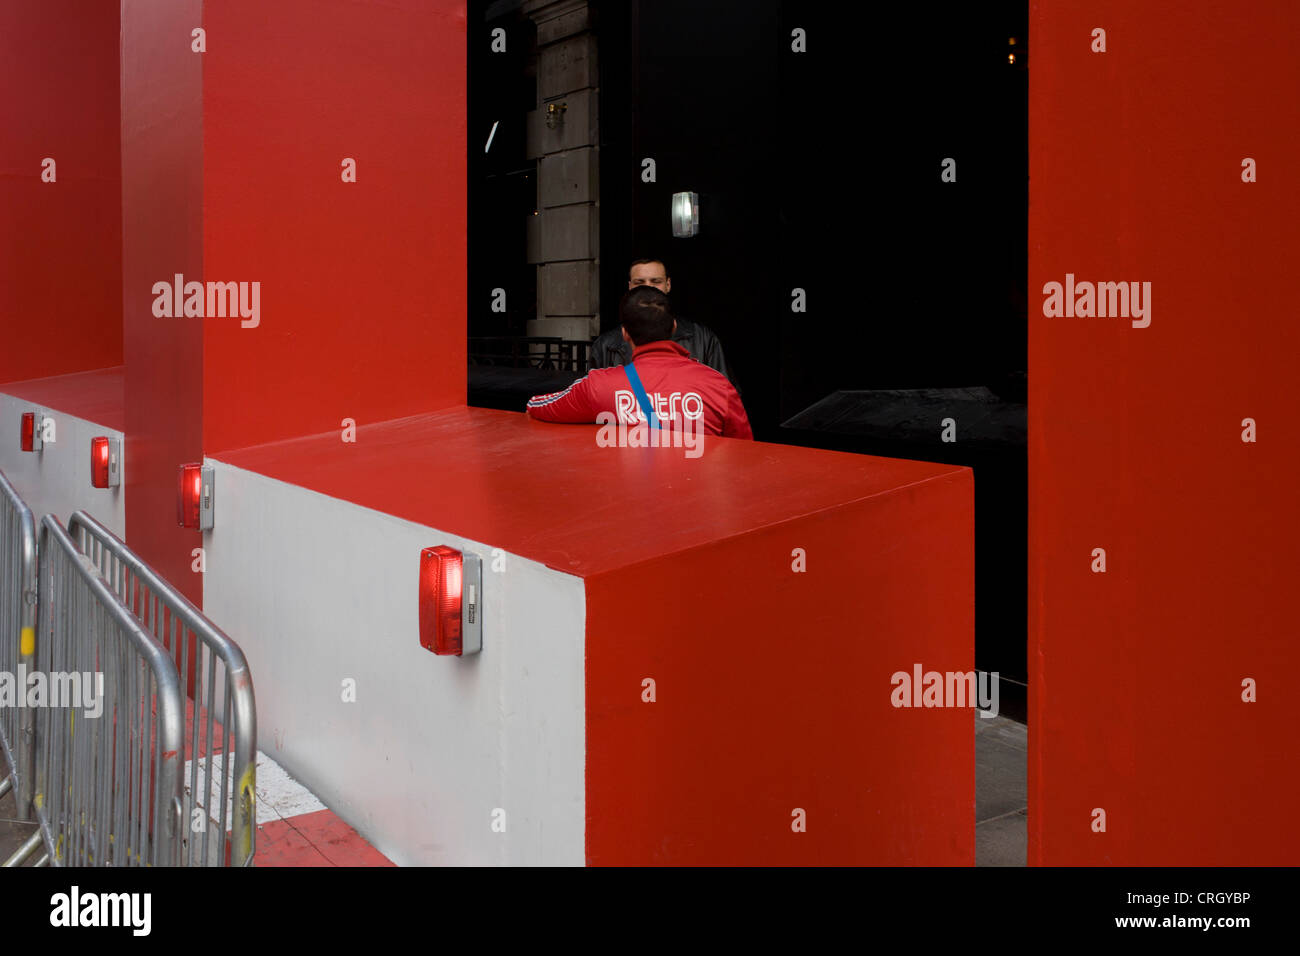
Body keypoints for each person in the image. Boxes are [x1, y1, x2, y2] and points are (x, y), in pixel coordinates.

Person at [527, 286, 752, 439]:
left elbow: (537, 406)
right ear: (674, 327)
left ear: (625, 333)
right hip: (697, 495)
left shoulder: (598, 385)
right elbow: (745, 452)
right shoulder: (718, 385)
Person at [587, 259, 731, 379]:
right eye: (639, 282)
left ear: (668, 285)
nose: (648, 288)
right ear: (630, 286)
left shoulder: (702, 338)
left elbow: (724, 393)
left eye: (656, 281)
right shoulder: (606, 345)